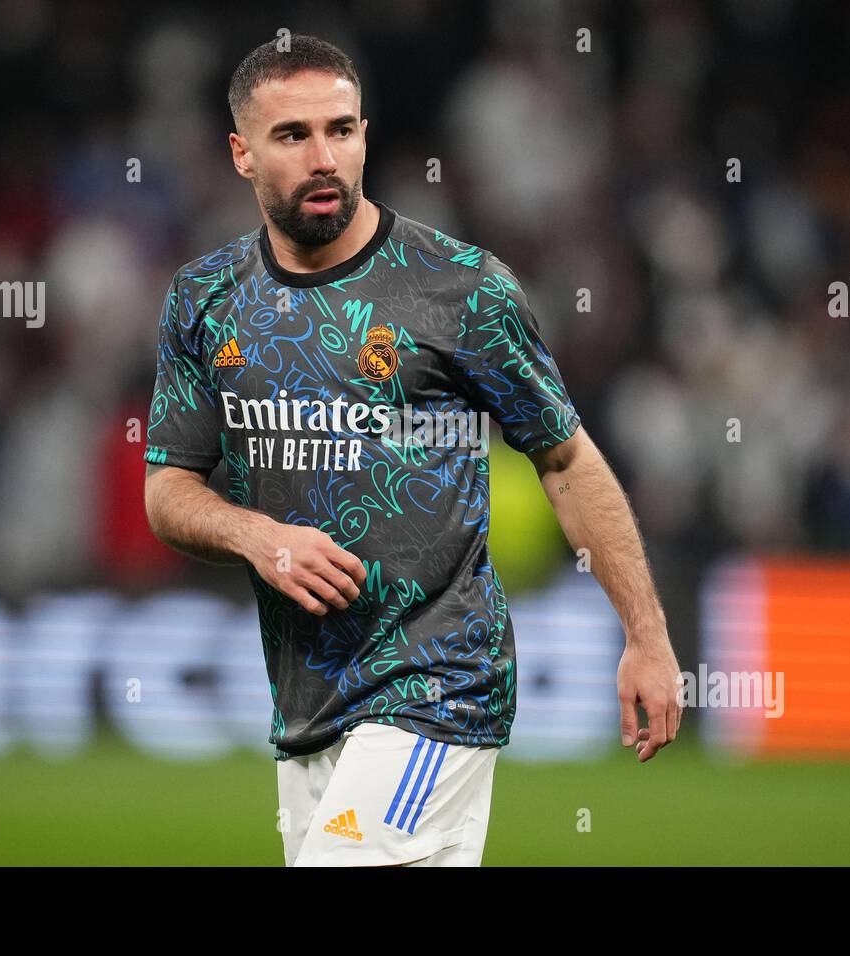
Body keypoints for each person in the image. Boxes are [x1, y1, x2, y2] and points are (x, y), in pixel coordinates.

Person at [142, 33, 681, 867]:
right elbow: (168, 488)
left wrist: (646, 635)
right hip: (308, 707)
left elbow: (566, 461)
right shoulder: (205, 300)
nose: (325, 156)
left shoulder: (461, 289)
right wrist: (258, 537)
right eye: (294, 136)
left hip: (438, 686)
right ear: (241, 154)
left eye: (343, 130)